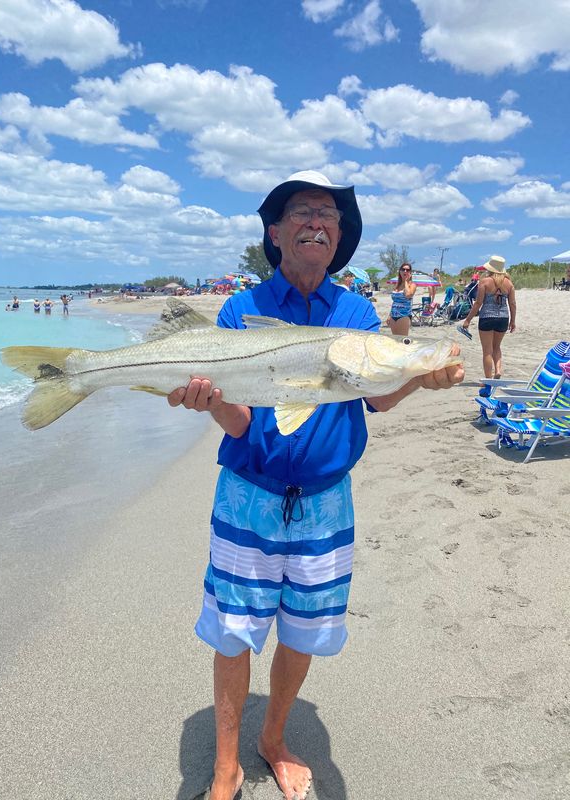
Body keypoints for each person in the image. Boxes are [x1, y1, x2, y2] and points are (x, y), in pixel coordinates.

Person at [167, 171, 464, 800]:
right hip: (248, 494)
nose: (317, 222)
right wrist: (210, 403)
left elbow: (375, 395)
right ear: (275, 234)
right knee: (233, 631)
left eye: (329, 215)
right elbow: (242, 422)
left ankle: (273, 739)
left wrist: (419, 375)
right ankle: (225, 766)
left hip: (327, 502)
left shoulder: (355, 313)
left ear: (338, 238)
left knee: (302, 630)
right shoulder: (240, 311)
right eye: (302, 210)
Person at [461, 255, 516, 389]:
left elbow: (478, 303)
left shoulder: (485, 282)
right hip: (503, 318)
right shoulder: (509, 283)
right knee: (497, 347)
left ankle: (488, 380)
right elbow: (513, 304)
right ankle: (498, 370)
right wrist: (513, 321)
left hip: (487, 317)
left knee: (487, 351)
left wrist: (468, 320)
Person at [386, 262, 416, 335]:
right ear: (400, 271)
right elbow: (394, 302)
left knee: (402, 339)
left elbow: (408, 295)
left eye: (407, 270)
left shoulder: (412, 285)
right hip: (393, 315)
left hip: (404, 316)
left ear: (410, 272)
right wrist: (389, 315)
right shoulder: (397, 285)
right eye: (403, 269)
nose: (405, 271)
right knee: (394, 339)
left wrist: (406, 281)